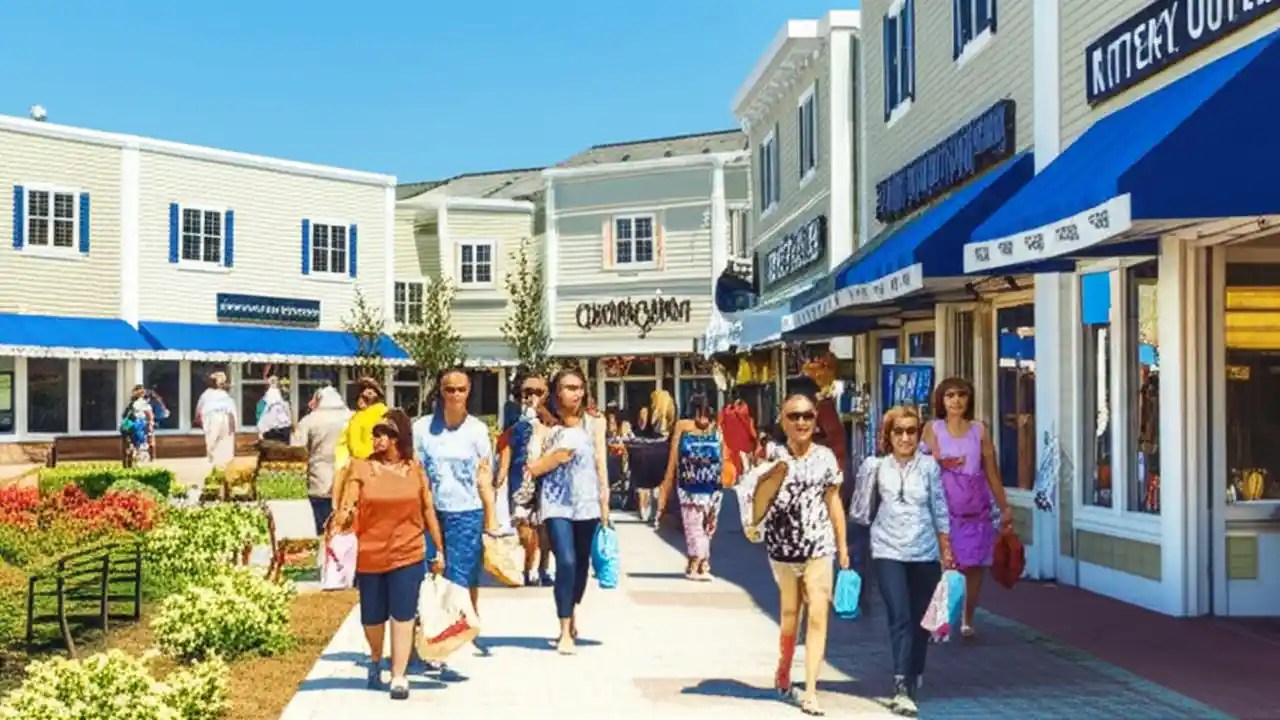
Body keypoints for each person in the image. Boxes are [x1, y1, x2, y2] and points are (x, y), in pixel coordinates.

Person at [851, 405, 955, 717]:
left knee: (921, 620)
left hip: (924, 551)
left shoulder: (929, 467)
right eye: (899, 431)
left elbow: (939, 507)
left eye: (911, 430)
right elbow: (859, 511)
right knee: (899, 616)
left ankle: (914, 669)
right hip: (887, 550)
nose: (905, 437)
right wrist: (850, 553)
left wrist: (946, 547)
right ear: (888, 435)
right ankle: (902, 685)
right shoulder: (875, 467)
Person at [332, 409, 444, 700]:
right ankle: (373, 658)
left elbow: (428, 510)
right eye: (377, 433)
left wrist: (439, 549)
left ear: (400, 437)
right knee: (372, 615)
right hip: (370, 552)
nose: (379, 439)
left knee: (403, 613)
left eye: (387, 433)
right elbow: (348, 501)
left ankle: (398, 675)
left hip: (408, 551)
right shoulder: (361, 467)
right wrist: (343, 517)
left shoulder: (415, 469)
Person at [750, 393, 848, 717]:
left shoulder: (826, 458)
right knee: (791, 616)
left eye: (807, 415)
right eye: (794, 416)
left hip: (820, 547)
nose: (802, 422)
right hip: (782, 550)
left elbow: (834, 502)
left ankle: (810, 691)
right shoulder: (773, 458)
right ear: (783, 420)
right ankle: (783, 667)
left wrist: (843, 547)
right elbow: (757, 498)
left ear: (815, 418)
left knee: (819, 614)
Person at [526, 367, 611, 655]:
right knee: (566, 561)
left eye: (579, 387)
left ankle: (571, 610)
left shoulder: (595, 423)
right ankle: (564, 629)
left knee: (582, 566)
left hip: (587, 503)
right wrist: (557, 458)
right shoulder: (544, 425)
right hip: (556, 503)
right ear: (557, 391)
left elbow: (601, 463)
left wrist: (605, 504)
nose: (575, 393)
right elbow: (534, 466)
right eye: (568, 387)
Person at [922, 377, 1012, 639]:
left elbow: (992, 472)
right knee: (948, 563)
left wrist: (1004, 507)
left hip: (975, 507)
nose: (956, 400)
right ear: (941, 400)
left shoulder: (979, 430)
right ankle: (941, 620)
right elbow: (925, 465)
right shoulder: (933, 428)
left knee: (974, 565)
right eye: (950, 395)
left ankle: (967, 618)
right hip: (944, 506)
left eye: (962, 395)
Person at [413, 369, 498, 618]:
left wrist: (490, 517)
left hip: (467, 511)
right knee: (432, 572)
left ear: (468, 391)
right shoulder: (422, 428)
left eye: (461, 389)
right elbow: (417, 472)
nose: (455, 394)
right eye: (450, 389)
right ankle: (434, 624)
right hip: (431, 511)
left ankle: (466, 621)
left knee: (462, 575)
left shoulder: (477, 430)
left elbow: (485, 477)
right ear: (441, 390)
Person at [655, 394, 726, 580]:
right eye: (698, 413)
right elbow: (674, 459)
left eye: (705, 413)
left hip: (704, 487)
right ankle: (699, 561)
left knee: (703, 527)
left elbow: (722, 459)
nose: (702, 418)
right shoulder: (692, 427)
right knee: (697, 526)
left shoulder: (712, 428)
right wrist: (667, 484)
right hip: (696, 487)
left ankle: (698, 561)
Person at [497, 371, 554, 586]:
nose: (532, 396)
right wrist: (499, 479)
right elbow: (506, 447)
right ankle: (528, 566)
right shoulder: (513, 416)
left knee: (545, 527)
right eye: (527, 392)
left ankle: (543, 568)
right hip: (520, 480)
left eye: (538, 392)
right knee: (524, 527)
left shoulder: (552, 418)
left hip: (546, 479)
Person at [295, 386, 352, 535]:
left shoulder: (310, 419)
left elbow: (297, 448)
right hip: (348, 479)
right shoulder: (352, 417)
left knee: (322, 526)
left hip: (319, 480)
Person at [337, 377, 389, 468]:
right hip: (382, 464)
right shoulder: (385, 412)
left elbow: (355, 448)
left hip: (365, 465)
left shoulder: (358, 418)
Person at [194, 371, 237, 471]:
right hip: (214, 418)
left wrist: (233, 425)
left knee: (221, 442)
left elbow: (231, 411)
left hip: (222, 418)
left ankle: (222, 464)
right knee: (214, 441)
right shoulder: (208, 394)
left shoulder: (223, 395)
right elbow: (199, 410)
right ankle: (215, 464)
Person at [257, 375, 293, 443]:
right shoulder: (284, 400)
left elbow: (260, 417)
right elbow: (289, 417)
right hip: (282, 431)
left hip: (271, 432)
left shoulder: (264, 401)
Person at [124, 385, 155, 464]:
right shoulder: (134, 404)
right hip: (135, 425)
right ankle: (135, 456)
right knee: (135, 442)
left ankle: (147, 456)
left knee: (144, 441)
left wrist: (150, 424)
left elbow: (149, 416)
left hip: (139, 425)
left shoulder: (141, 404)